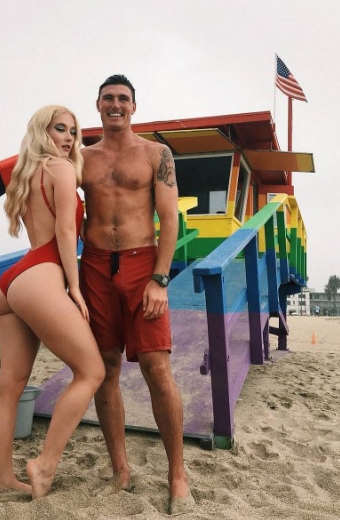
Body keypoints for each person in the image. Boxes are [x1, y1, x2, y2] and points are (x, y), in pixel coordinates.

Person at [80, 74, 190, 511]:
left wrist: (160, 279)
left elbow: (170, 218)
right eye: (108, 98)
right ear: (98, 105)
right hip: (94, 266)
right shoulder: (80, 157)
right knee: (104, 367)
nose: (116, 104)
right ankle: (120, 471)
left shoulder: (155, 154)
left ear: (133, 107)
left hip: (142, 262)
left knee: (156, 367)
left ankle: (177, 476)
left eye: (123, 99)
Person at [0, 105, 105, 498]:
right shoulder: (61, 169)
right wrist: (74, 286)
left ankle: (3, 478)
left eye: (74, 131)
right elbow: (65, 232)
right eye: (61, 129)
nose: (69, 138)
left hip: (12, 283)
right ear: (43, 131)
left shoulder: (26, 173)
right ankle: (44, 464)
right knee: (91, 371)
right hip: (42, 276)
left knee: (10, 386)